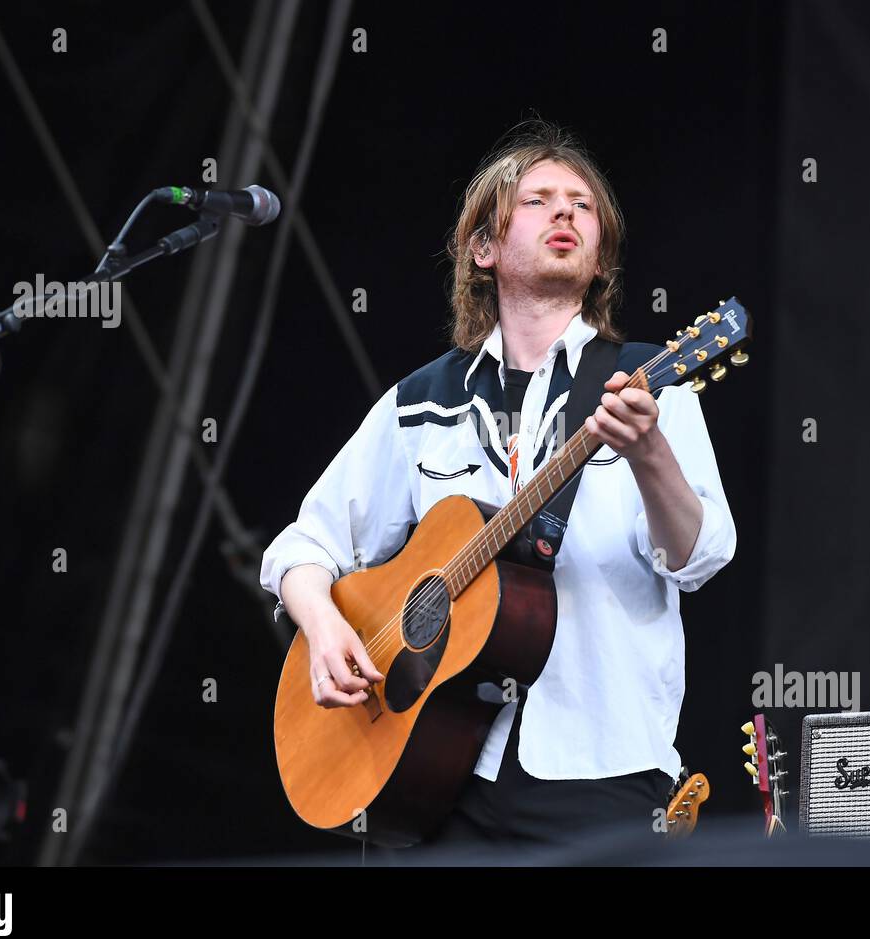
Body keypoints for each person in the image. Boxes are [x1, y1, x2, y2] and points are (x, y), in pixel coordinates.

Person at [260, 120, 736, 855]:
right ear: (483, 249)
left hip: (601, 769)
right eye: (540, 199)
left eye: (582, 205)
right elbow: (303, 544)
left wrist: (650, 456)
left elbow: (700, 557)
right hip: (438, 774)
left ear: (599, 254)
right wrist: (323, 629)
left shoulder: (647, 385)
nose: (567, 212)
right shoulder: (421, 403)